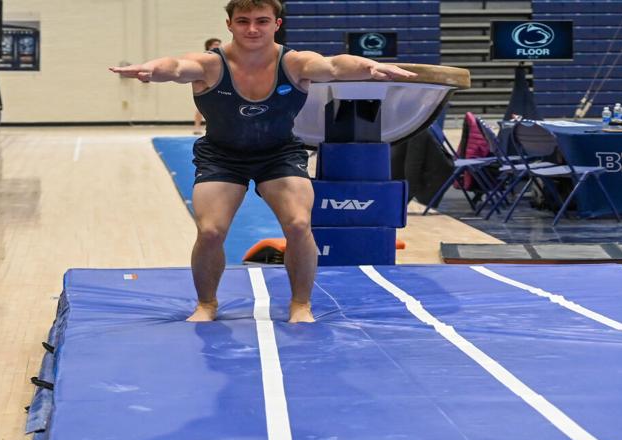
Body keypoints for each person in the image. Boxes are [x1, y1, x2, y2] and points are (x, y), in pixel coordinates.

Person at [110, 0, 415, 323]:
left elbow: (335, 66)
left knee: (298, 224)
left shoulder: (295, 63)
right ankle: (206, 304)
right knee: (211, 231)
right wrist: (151, 69)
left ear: (276, 25)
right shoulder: (211, 65)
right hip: (222, 157)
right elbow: (174, 67)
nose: (252, 29)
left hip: (279, 154)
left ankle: (301, 304)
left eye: (261, 21)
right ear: (229, 24)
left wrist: (367, 67)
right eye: (243, 21)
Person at [193, 38, 221, 133]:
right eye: (215, 44)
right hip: (204, 83)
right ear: (209, 46)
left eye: (219, 44)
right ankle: (197, 127)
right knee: (201, 107)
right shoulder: (204, 56)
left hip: (215, 83)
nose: (218, 46)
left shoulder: (220, 56)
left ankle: (216, 128)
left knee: (217, 107)